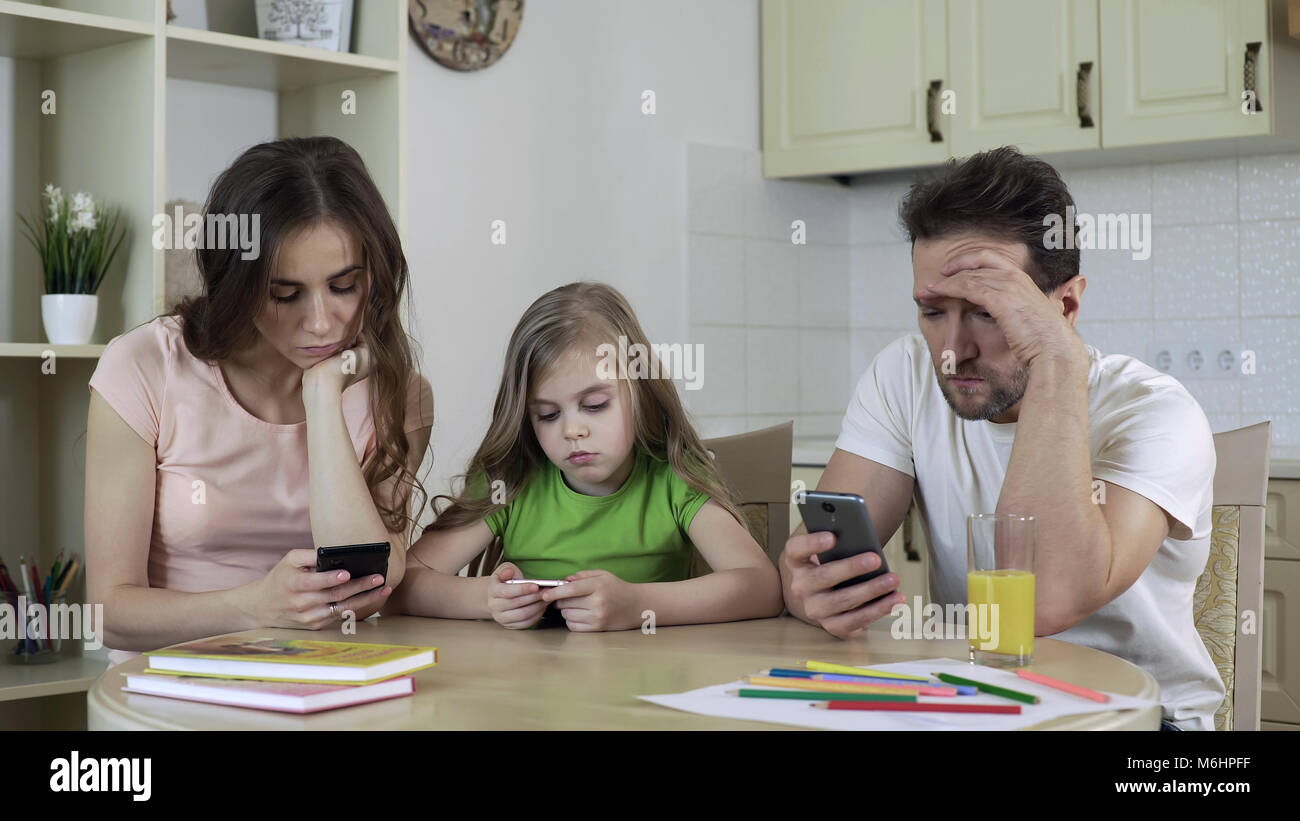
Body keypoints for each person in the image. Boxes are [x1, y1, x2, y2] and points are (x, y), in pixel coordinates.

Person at [780, 147, 1223, 730]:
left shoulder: (1155, 412)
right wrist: (805, 588)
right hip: (977, 703)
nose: (953, 350)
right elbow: (810, 563)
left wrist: (1056, 365)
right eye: (933, 311)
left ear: (1065, 305)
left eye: (988, 312)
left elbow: (1045, 602)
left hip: (1143, 722)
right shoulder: (904, 375)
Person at [86, 136, 434, 667]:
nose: (320, 323)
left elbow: (369, 581)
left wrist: (322, 396)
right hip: (172, 687)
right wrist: (253, 608)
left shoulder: (398, 394)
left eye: (344, 287)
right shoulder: (143, 367)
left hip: (322, 684)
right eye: (285, 294)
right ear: (239, 284)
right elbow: (109, 609)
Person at [391, 281, 782, 630]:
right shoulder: (512, 480)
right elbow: (400, 586)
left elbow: (761, 587)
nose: (572, 431)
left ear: (640, 395)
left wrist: (639, 605)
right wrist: (486, 600)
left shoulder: (672, 476)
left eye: (594, 405)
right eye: (547, 414)